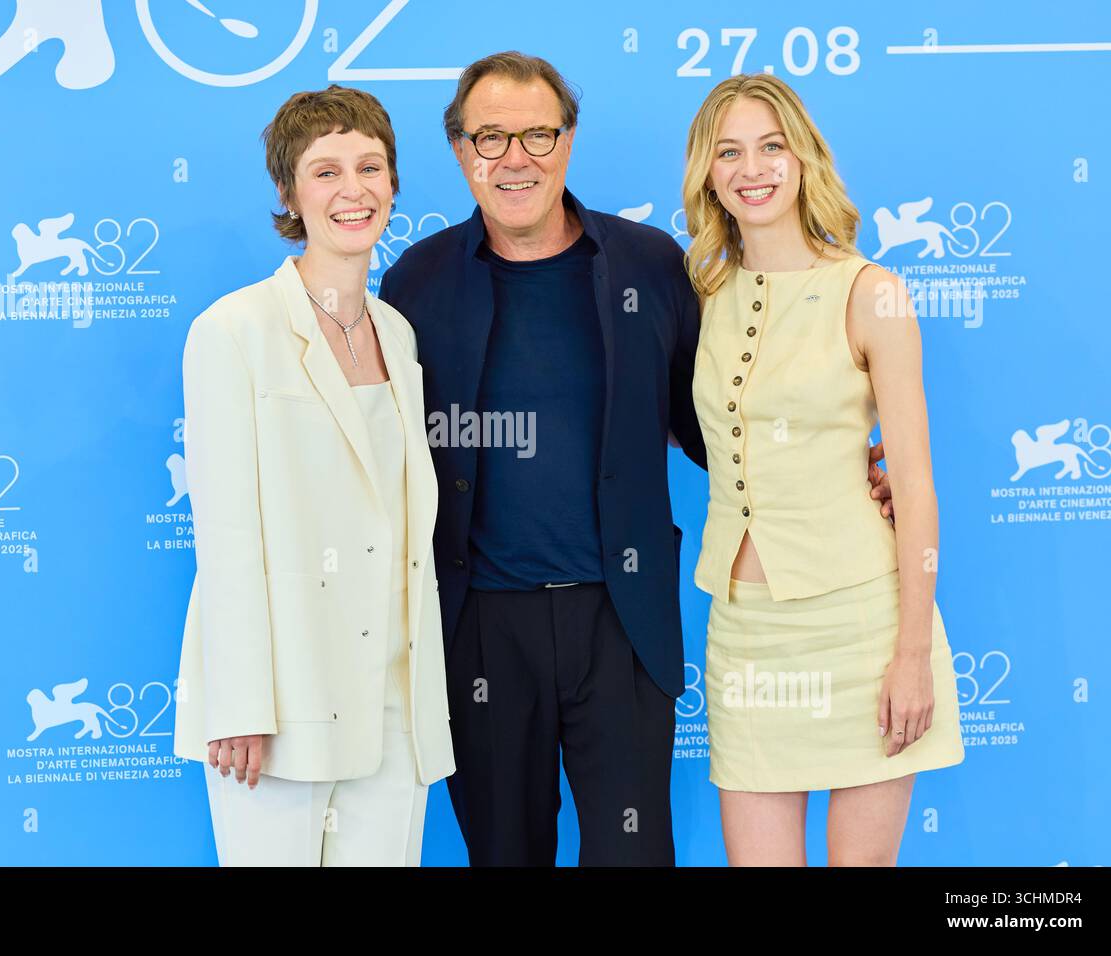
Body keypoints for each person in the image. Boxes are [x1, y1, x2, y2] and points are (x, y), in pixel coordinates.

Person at [378, 52, 892, 866]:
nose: (516, 158)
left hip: (622, 626)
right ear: (459, 151)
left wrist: (845, 468)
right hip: (479, 634)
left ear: (569, 140)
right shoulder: (415, 282)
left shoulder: (652, 267)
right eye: (490, 138)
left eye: (538, 134)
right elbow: (382, 453)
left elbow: (717, 421)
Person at [681, 73, 965, 866]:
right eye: (730, 151)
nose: (753, 168)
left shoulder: (873, 294)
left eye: (772, 147)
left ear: (803, 158)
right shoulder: (699, 294)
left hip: (864, 627)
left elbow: (912, 485)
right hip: (744, 631)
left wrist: (910, 654)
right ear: (708, 173)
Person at [171, 85, 454, 866]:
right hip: (281, 700)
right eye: (325, 171)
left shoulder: (396, 333)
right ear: (290, 193)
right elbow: (225, 533)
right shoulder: (233, 330)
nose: (352, 189)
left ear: (394, 184)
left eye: (370, 166)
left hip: (393, 696)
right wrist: (240, 702)